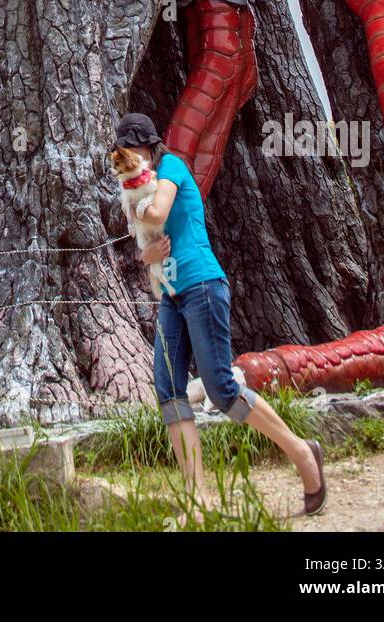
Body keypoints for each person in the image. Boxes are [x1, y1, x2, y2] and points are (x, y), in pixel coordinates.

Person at [113, 111, 327, 516]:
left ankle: (302, 453)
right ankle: (198, 501)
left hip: (203, 287)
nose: (129, 159)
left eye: (133, 150)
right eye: (123, 152)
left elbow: (156, 216)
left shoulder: (171, 167)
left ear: (147, 147)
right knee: (170, 393)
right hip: (172, 296)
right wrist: (146, 254)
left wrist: (137, 214)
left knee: (221, 389)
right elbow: (147, 246)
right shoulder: (136, 188)